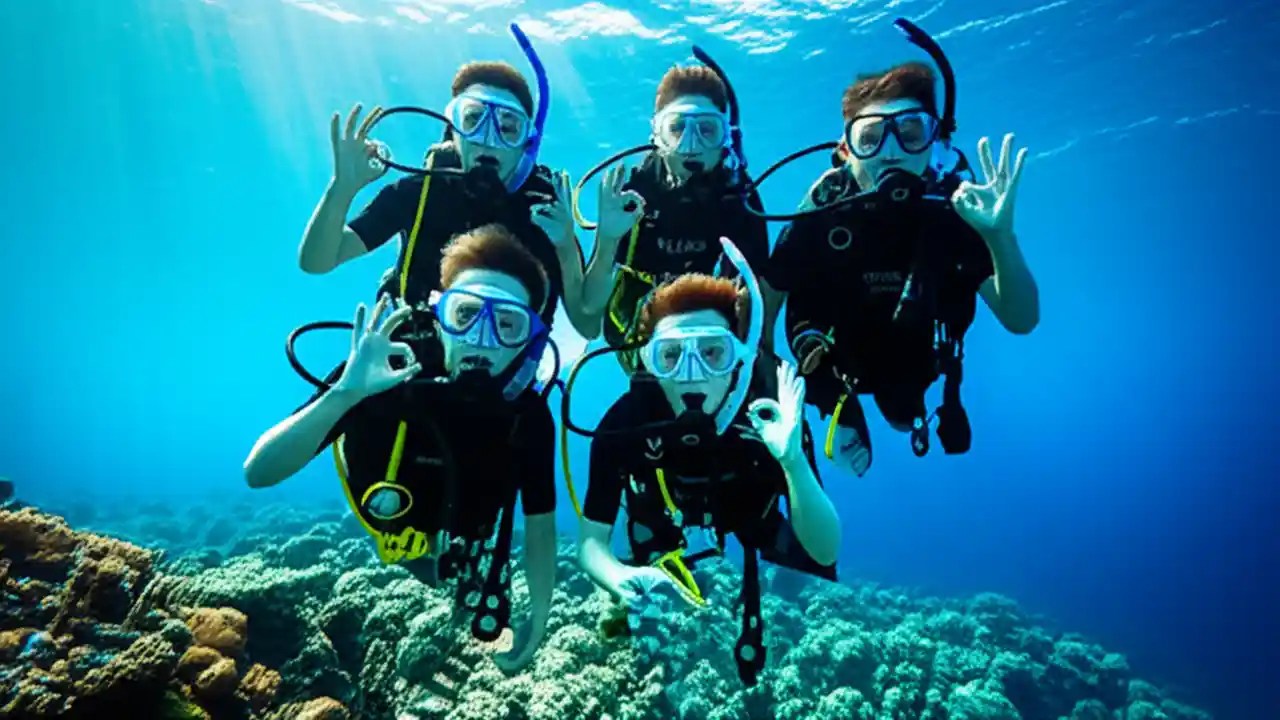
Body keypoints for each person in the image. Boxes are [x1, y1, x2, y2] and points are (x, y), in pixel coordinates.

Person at [244, 224, 559, 672]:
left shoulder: (527, 416)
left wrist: (539, 621)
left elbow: (541, 529)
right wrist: (345, 395)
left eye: (508, 324)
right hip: (392, 526)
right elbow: (258, 472)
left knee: (468, 587)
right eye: (465, 314)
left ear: (528, 342)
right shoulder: (380, 372)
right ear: (437, 317)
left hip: (463, 541)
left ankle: (457, 582)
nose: (482, 339)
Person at [765, 23, 1040, 477]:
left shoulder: (956, 212)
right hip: (832, 357)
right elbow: (765, 305)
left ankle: (896, 408)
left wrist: (999, 237)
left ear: (936, 142)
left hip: (911, 357)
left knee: (903, 404)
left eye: (911, 131)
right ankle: (837, 403)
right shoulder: (823, 208)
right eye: (870, 137)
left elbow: (1021, 319)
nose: (891, 151)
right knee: (822, 369)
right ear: (846, 150)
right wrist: (768, 388)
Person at [570, 238, 841, 686]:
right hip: (661, 519)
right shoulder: (625, 423)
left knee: (769, 534)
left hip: (748, 512)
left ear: (739, 359)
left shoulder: (770, 416)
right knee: (647, 561)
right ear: (649, 364)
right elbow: (590, 545)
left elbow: (825, 550)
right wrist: (618, 576)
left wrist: (792, 460)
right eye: (671, 356)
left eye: (712, 352)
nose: (692, 372)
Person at [296, 24, 595, 350]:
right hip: (410, 363)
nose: (488, 139)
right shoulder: (418, 194)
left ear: (527, 141)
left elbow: (587, 325)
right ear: (453, 131)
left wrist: (566, 246)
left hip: (504, 382)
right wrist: (342, 188)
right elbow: (317, 261)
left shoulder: (545, 212)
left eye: (508, 128)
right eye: (473, 120)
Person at [562, 57, 779, 375]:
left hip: (707, 315)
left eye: (707, 130)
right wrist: (607, 240)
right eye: (676, 129)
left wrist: (757, 375)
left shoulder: (738, 199)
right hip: (634, 323)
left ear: (726, 137)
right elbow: (590, 320)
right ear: (657, 135)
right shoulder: (634, 192)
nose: (690, 145)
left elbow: (752, 305)